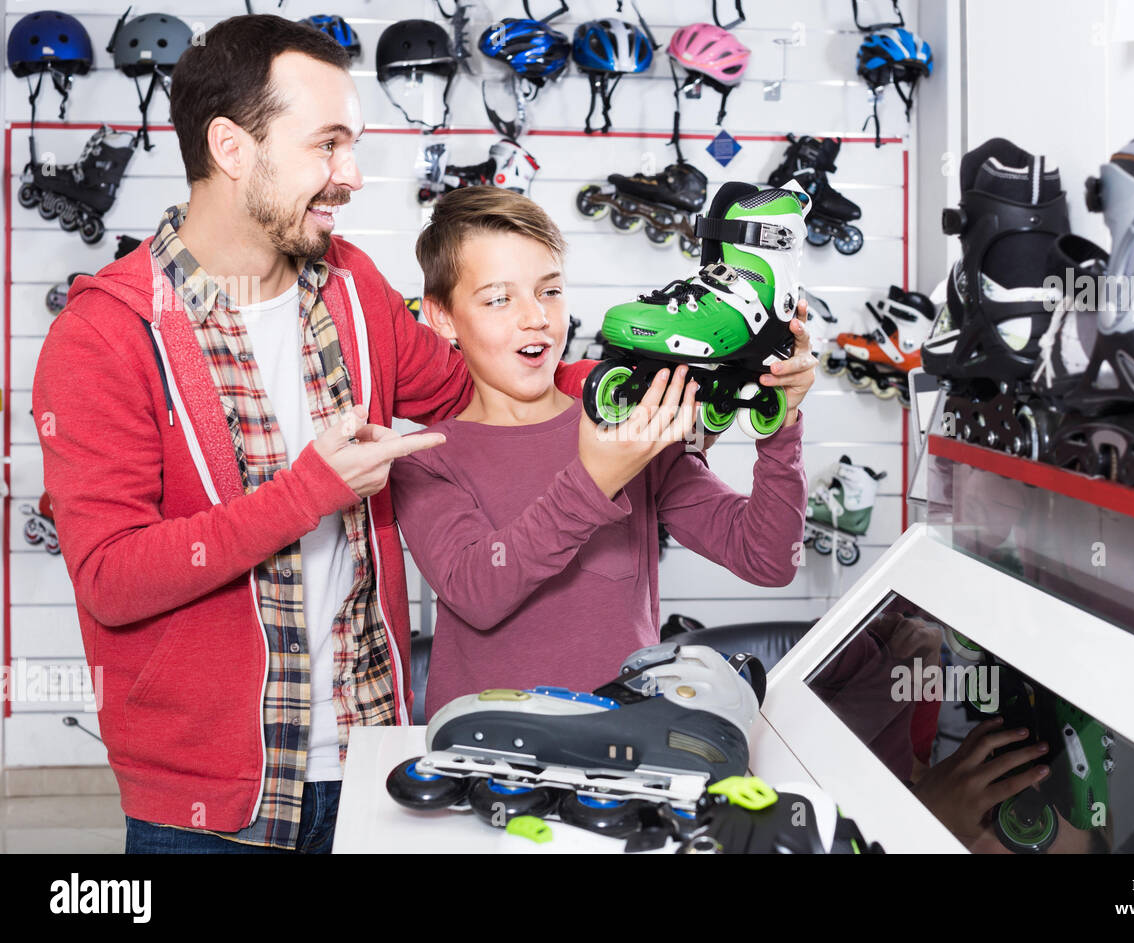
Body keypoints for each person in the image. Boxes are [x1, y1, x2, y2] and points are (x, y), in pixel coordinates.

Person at [31, 15, 591, 853]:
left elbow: (470, 392)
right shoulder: (104, 335)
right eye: (327, 145)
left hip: (376, 761)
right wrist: (307, 495)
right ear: (231, 147)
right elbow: (111, 576)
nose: (353, 175)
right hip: (213, 812)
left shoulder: (352, 288)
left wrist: (650, 379)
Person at [388, 186, 816, 714]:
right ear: (443, 317)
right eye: (499, 298)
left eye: (550, 291)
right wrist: (594, 480)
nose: (535, 318)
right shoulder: (427, 457)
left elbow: (766, 558)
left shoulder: (629, 428)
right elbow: (478, 593)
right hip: (488, 751)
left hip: (622, 743)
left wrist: (781, 424)